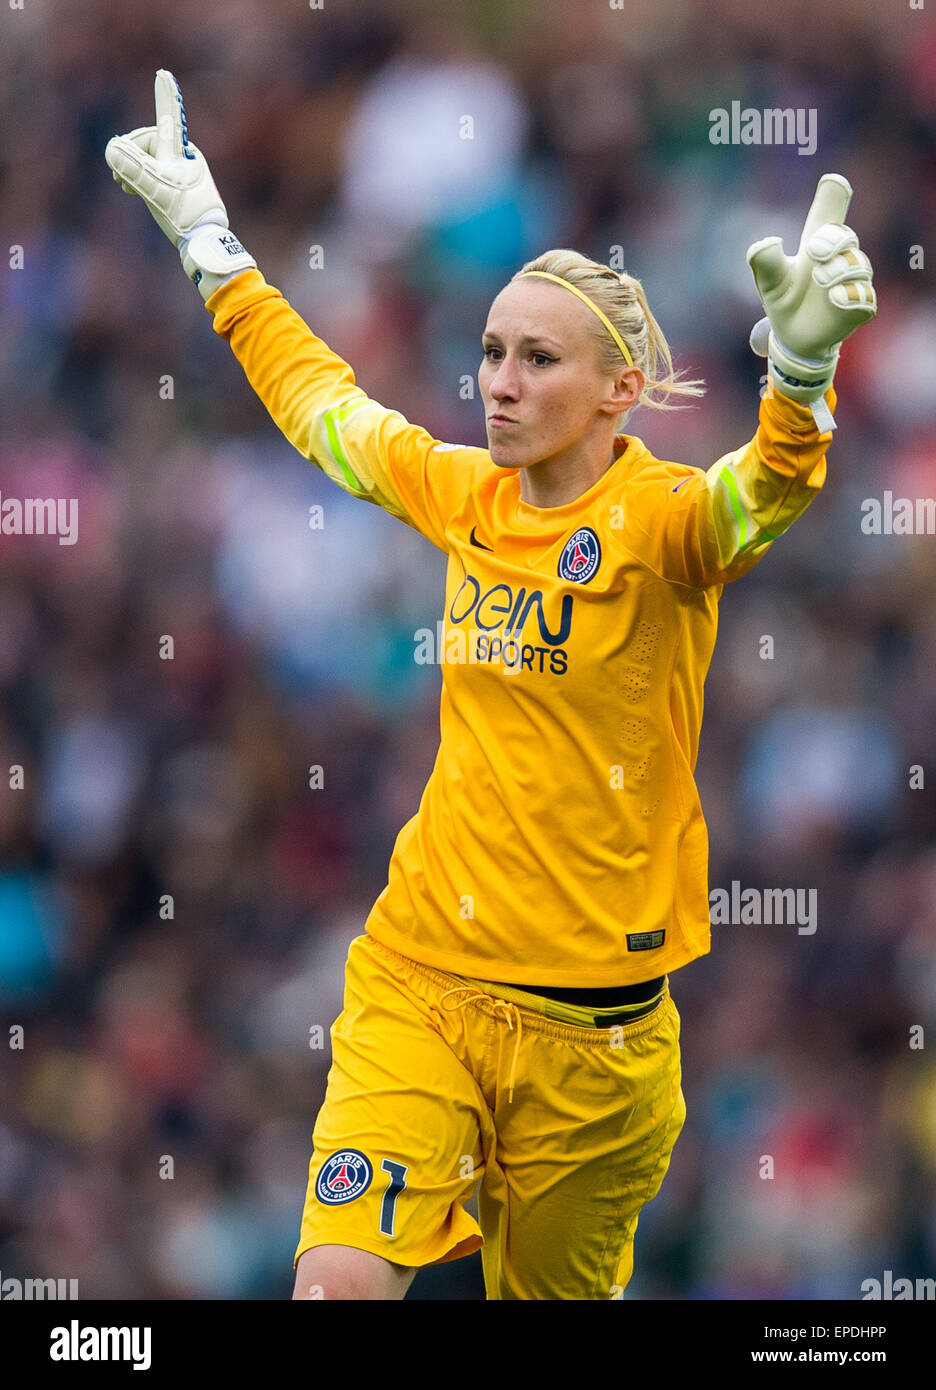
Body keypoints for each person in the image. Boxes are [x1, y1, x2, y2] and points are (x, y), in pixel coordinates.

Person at [106, 71, 877, 1301]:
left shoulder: (661, 522)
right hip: (423, 977)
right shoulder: (466, 492)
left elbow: (760, 499)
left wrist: (797, 384)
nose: (499, 382)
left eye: (537, 359)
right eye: (489, 354)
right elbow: (325, 410)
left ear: (619, 392)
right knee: (333, 1289)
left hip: (600, 1046)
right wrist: (211, 244)